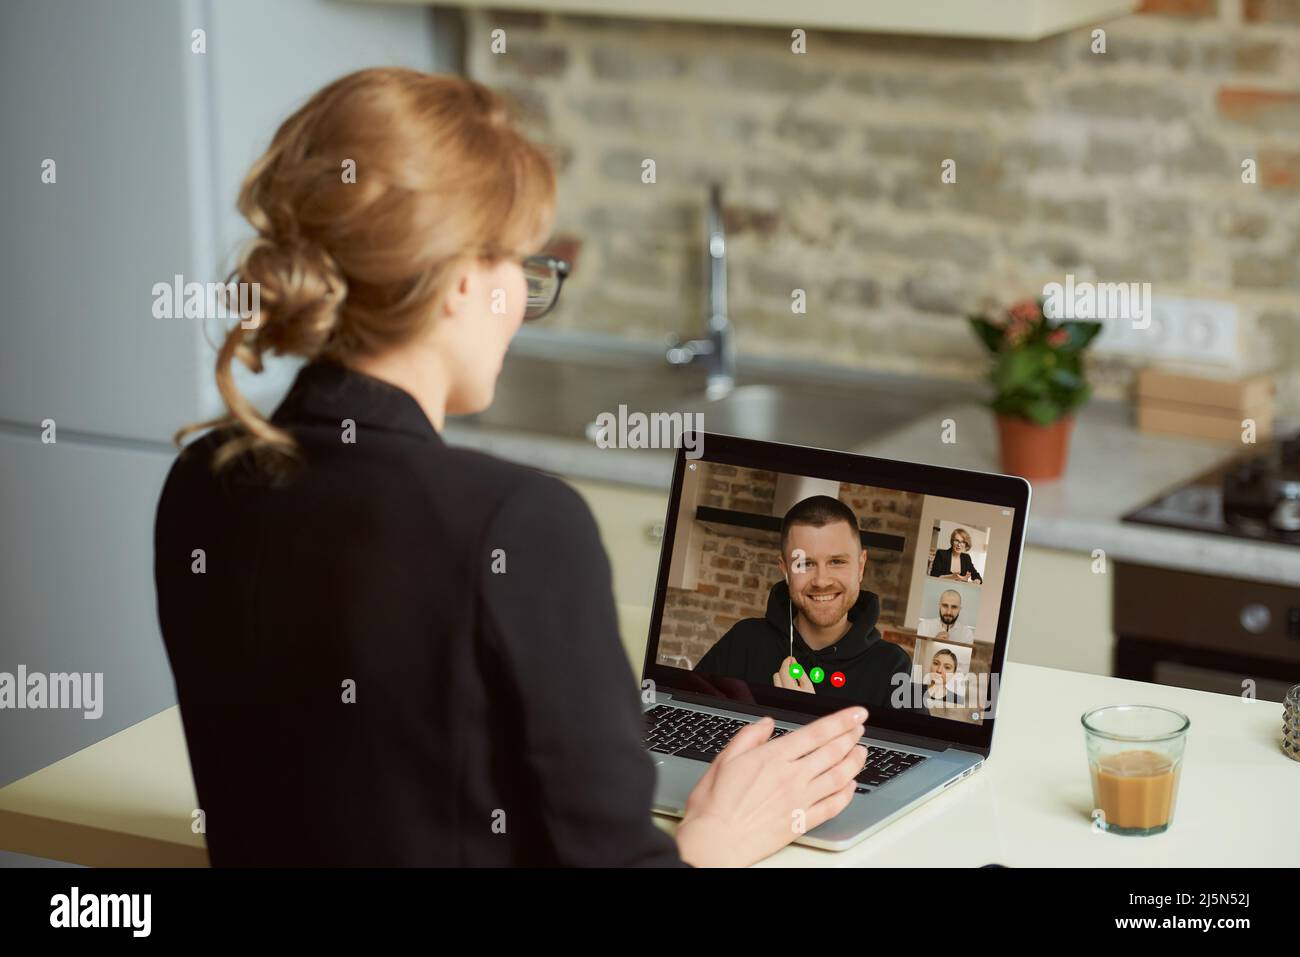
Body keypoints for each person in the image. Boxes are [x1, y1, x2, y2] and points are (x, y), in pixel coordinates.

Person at [152, 68, 869, 867]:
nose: (523, 303)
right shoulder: (519, 522)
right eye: (524, 268)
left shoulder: (202, 481)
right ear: (462, 278)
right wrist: (714, 839)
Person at [693, 495, 911, 708]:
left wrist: (806, 719)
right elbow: (682, 725)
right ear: (785, 570)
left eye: (836, 561)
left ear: (861, 566)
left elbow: (914, 744)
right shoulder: (743, 642)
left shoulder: (893, 666)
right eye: (805, 564)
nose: (821, 581)